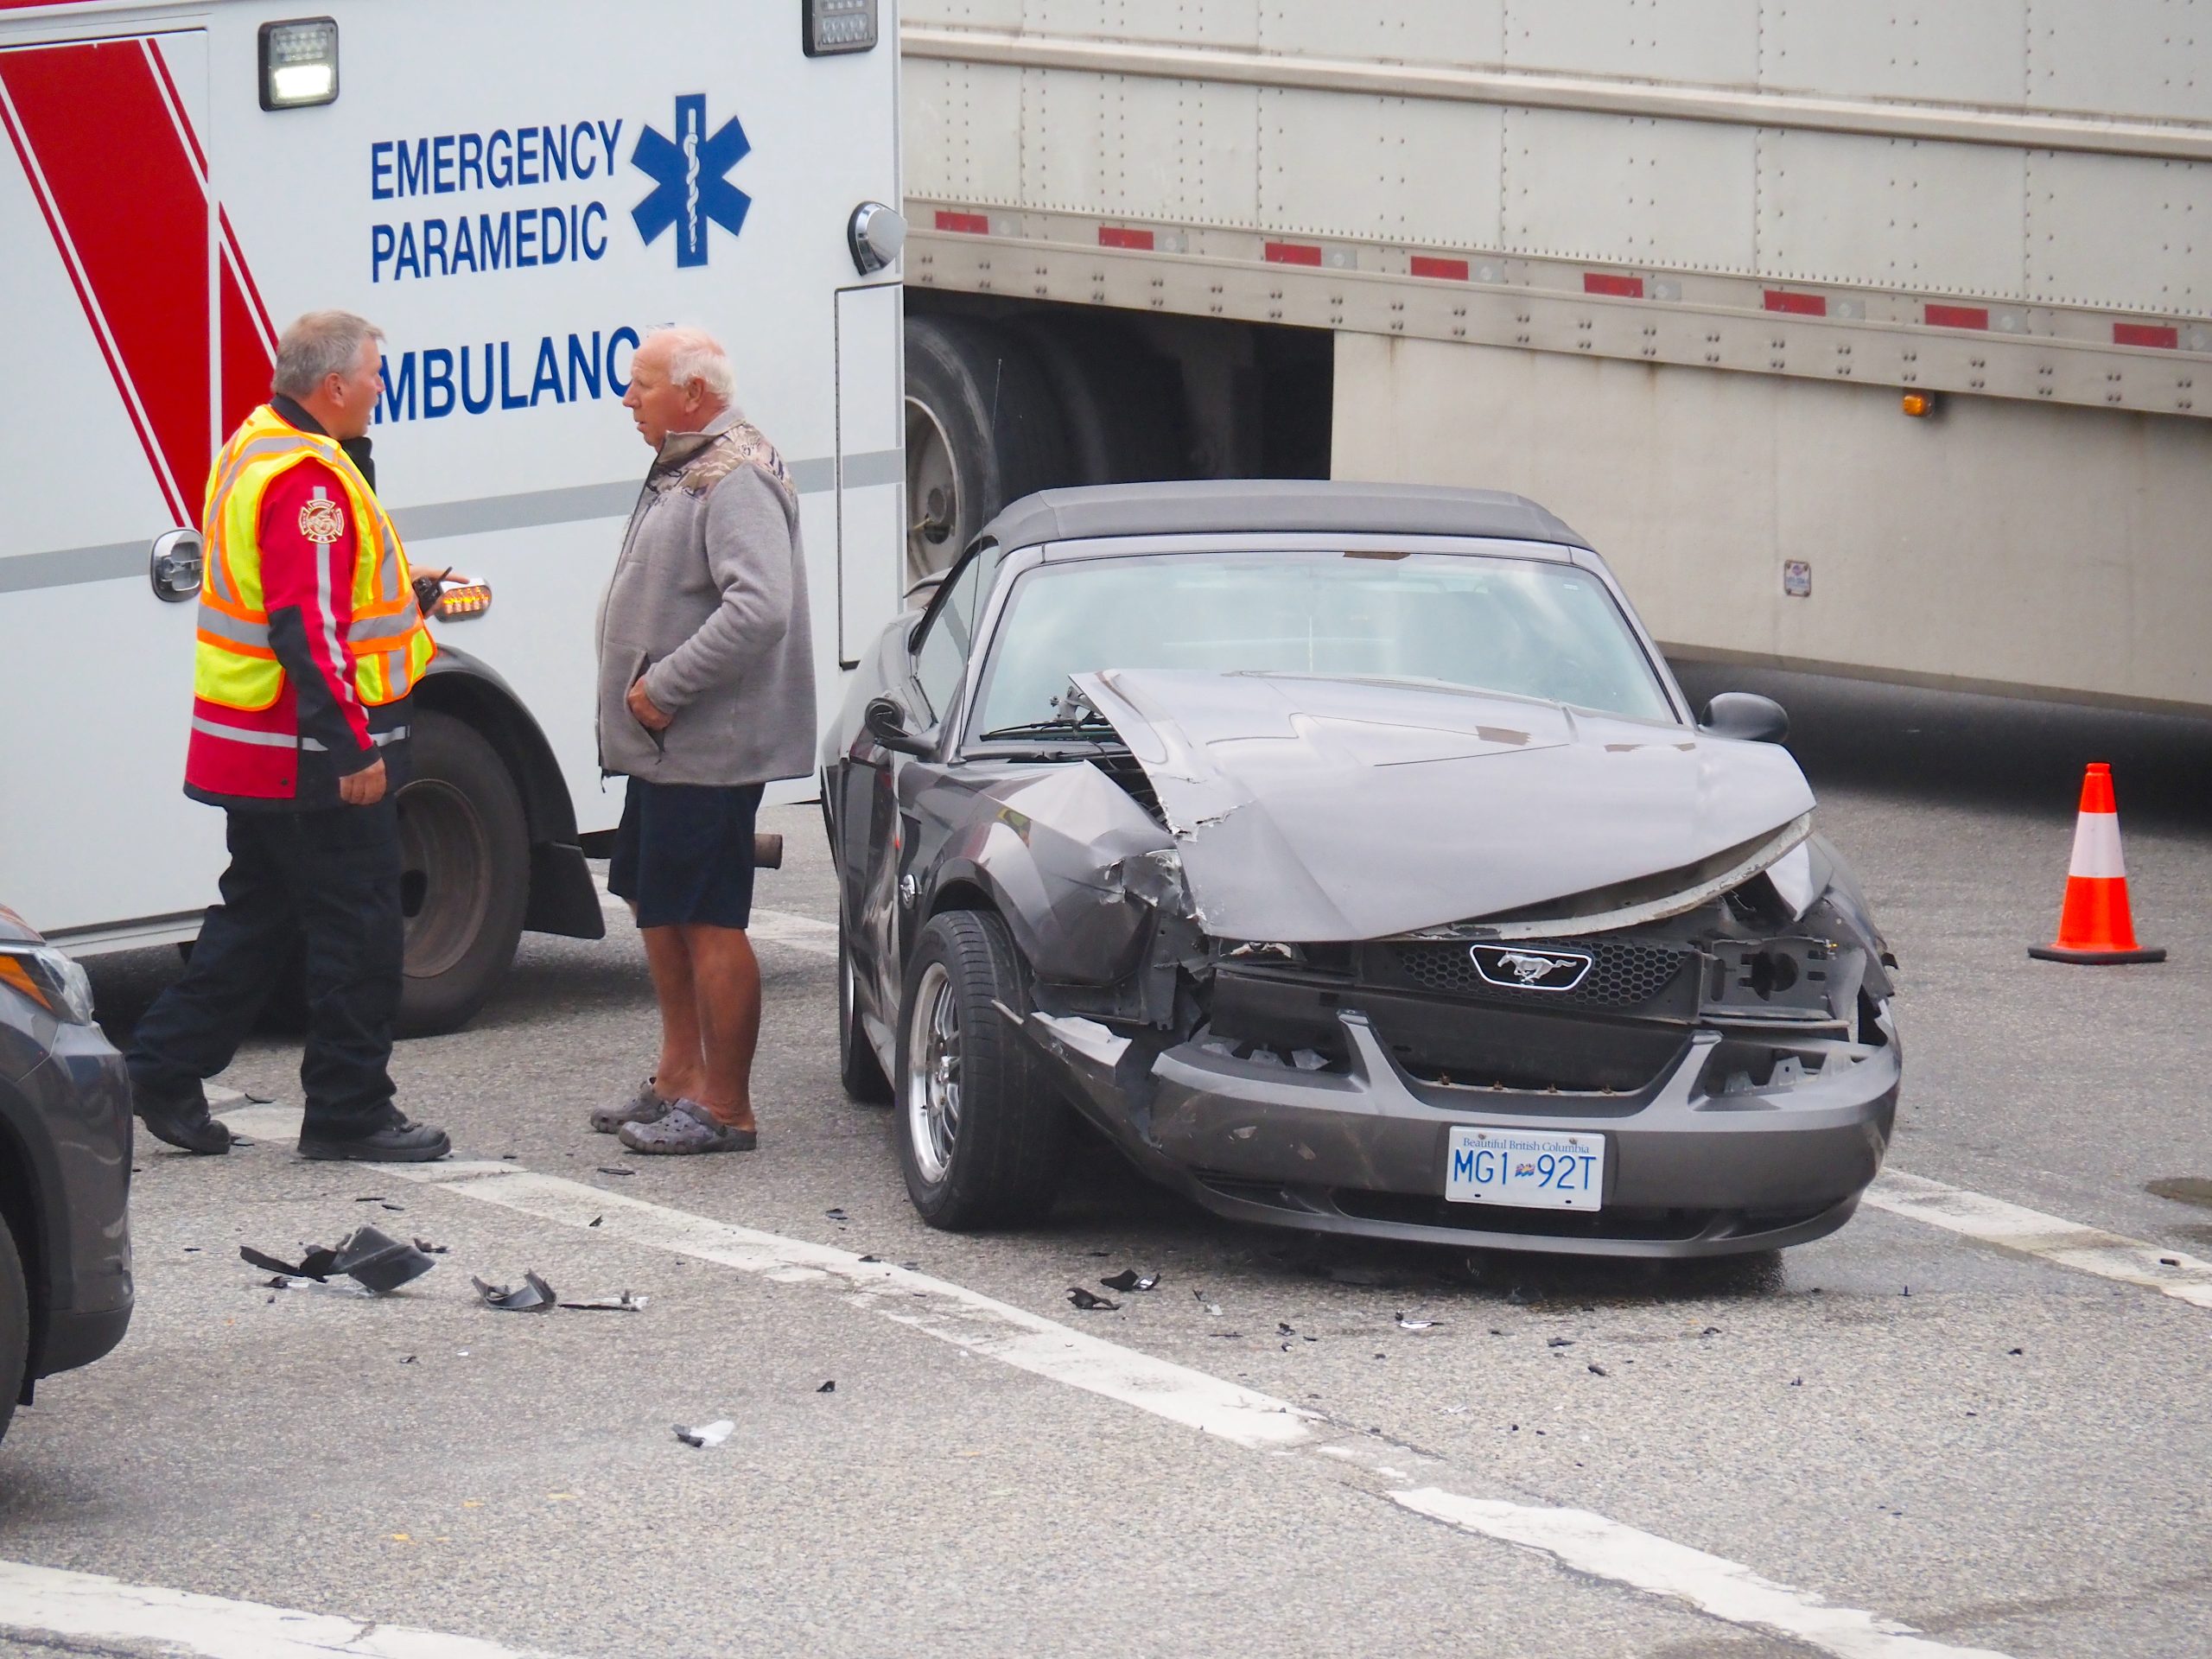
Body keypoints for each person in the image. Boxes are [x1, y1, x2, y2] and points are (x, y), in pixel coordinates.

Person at [126, 311, 451, 1163]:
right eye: (375, 375)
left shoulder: (260, 441)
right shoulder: (308, 480)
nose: (383, 388)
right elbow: (305, 627)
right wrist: (352, 750)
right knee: (362, 926)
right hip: (307, 757)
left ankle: (162, 1065)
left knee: (261, 918)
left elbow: (315, 591)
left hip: (257, 748)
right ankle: (348, 1109)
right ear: (333, 386)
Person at [589, 327, 816, 1154]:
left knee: (709, 918)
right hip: (665, 745)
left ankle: (727, 1109)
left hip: (704, 741)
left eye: (640, 384)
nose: (627, 398)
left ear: (692, 393)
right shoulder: (689, 460)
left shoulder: (735, 475)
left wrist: (662, 687)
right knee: (657, 902)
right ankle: (679, 1077)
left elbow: (760, 608)